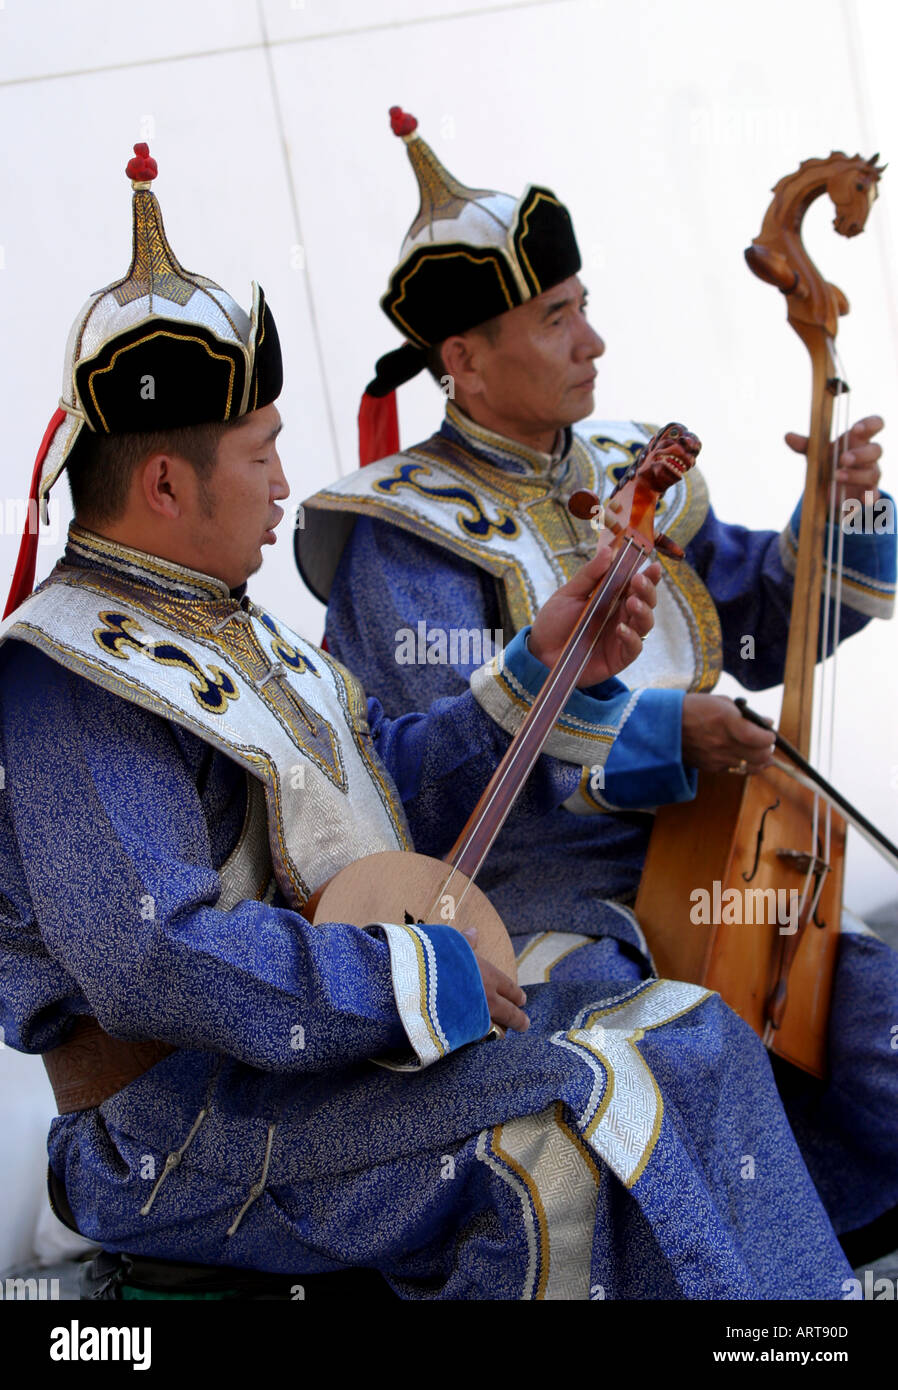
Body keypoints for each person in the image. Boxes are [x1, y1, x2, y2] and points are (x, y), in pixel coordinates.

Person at [0, 142, 862, 1302]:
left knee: (687, 1035)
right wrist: (405, 976)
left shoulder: (229, 624)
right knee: (549, 1138)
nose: (283, 483)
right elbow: (154, 957)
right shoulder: (67, 675)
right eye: (260, 455)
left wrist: (535, 669)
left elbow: (377, 792)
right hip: (177, 1122)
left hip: (305, 1048)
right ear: (164, 484)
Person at [294, 109, 898, 1252]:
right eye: (556, 317)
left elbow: (762, 624)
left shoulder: (637, 468)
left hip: (710, 875)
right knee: (681, 1062)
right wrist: (671, 729)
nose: (594, 342)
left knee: (880, 1020)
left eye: (583, 306)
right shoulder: (400, 534)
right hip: (541, 919)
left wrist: (839, 511)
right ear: (461, 359)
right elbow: (423, 774)